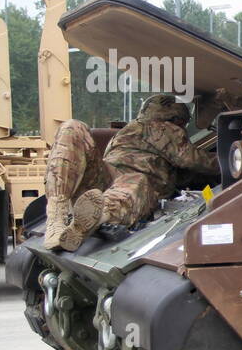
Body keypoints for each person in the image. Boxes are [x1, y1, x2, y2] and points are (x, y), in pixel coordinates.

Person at [43, 95, 216, 251]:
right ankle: (97, 216)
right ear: (176, 118)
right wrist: (236, 157)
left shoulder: (128, 129)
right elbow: (193, 160)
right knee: (134, 183)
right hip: (135, 186)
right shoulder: (166, 129)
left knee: (72, 127)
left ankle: (57, 215)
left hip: (102, 179)